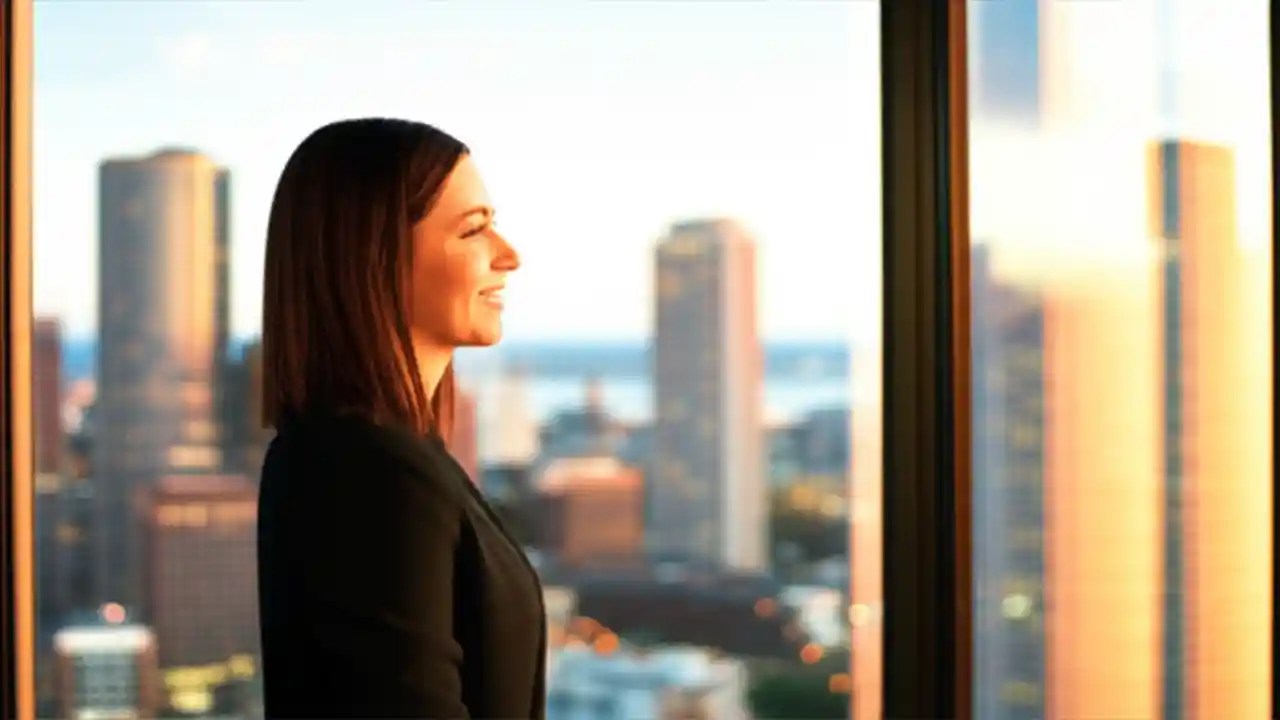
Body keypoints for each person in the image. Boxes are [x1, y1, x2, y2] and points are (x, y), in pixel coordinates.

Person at [255, 117, 543, 718]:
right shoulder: (362, 468)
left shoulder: (389, 454)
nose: (509, 256)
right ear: (377, 254)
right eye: (474, 231)